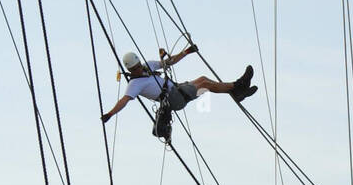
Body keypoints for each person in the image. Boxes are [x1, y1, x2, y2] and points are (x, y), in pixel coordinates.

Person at [100, 46, 256, 136]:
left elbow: (169, 62)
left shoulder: (148, 66)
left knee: (204, 81)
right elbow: (124, 100)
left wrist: (186, 52)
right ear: (130, 70)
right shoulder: (134, 85)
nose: (140, 69)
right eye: (135, 69)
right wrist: (110, 114)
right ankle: (237, 86)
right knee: (205, 84)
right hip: (174, 98)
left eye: (139, 66)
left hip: (178, 90)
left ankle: (236, 90)